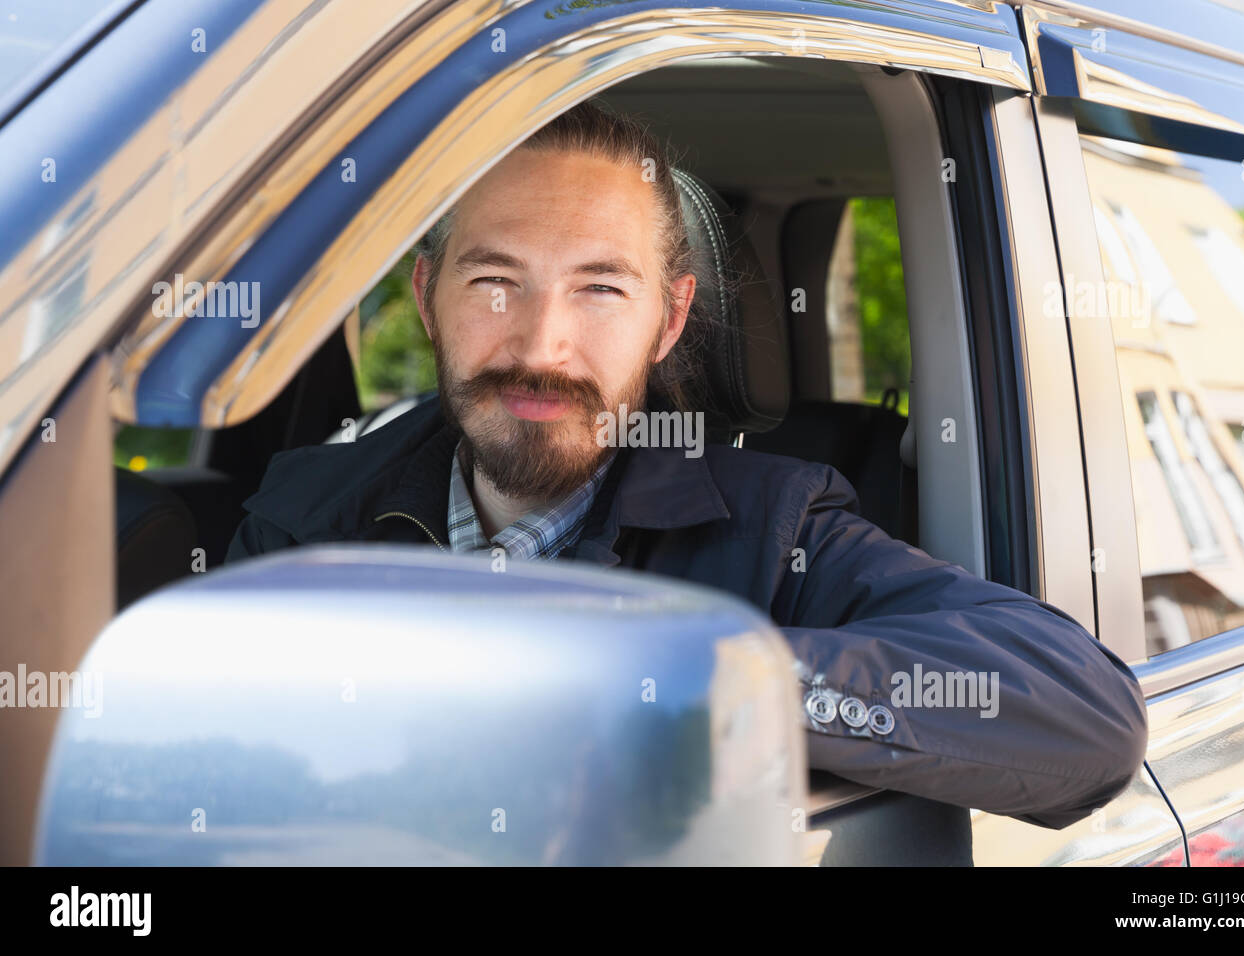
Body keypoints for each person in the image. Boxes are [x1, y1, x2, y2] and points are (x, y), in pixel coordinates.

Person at [225, 100, 1148, 834]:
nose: (542, 343)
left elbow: (1084, 710)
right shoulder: (303, 517)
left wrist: (696, 680)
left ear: (668, 322)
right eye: (494, 281)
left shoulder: (773, 529)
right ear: (429, 301)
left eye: (600, 289)